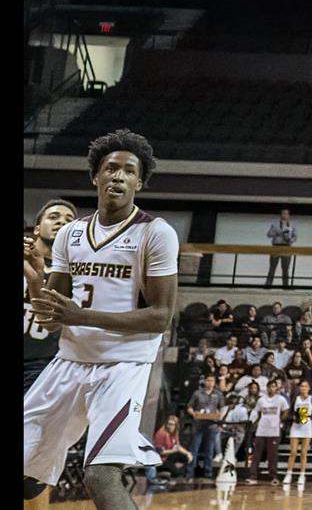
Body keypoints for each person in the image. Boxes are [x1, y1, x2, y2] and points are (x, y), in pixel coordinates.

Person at [23, 131, 180, 510]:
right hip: (69, 362)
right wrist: (34, 280)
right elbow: (51, 317)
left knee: (101, 476)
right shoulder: (71, 235)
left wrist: (83, 315)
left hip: (122, 366)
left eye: (129, 170)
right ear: (95, 176)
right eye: (110, 168)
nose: (119, 176)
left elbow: (160, 317)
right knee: (27, 479)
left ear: (139, 182)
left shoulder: (155, 233)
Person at [22, 198, 77, 398]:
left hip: (42, 363)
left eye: (69, 220)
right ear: (36, 229)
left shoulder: (75, 274)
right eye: (54, 217)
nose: (61, 222)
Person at [249, 378, 288, 485]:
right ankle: (253, 476)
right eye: (269, 386)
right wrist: (255, 423)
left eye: (273, 386)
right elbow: (257, 412)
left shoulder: (281, 399)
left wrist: (279, 420)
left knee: (272, 456)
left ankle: (273, 476)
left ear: (276, 388)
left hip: (274, 431)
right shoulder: (261, 400)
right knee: (256, 455)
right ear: (266, 388)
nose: (271, 388)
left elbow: (286, 411)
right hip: (261, 430)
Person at [266, 209, 297, 289]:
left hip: (287, 246)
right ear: (280, 215)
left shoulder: (292, 225)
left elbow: (295, 237)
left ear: (289, 215)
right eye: (283, 213)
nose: (285, 215)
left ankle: (285, 286)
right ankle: (268, 286)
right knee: (272, 267)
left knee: (285, 268)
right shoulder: (275, 224)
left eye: (287, 214)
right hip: (276, 246)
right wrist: (277, 233)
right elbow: (268, 234)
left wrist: (290, 239)